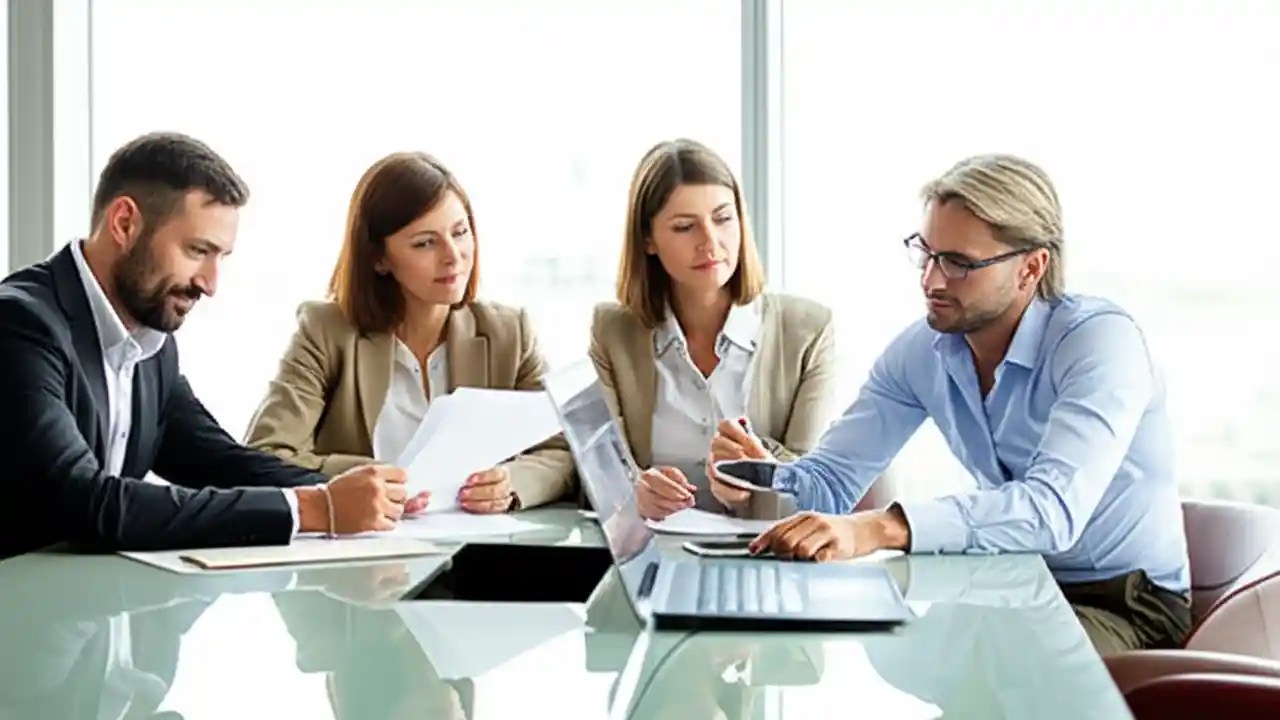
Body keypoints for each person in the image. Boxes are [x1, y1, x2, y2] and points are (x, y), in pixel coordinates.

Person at [725, 153, 1191, 654]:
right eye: (926, 253)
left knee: (1004, 659)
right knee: (894, 651)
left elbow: (1051, 511)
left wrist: (884, 527)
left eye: (959, 263)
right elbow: (831, 484)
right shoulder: (922, 351)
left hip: (1124, 602)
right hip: (1014, 581)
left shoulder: (1100, 343)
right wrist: (758, 475)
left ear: (1031, 268)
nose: (931, 280)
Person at [0, 132, 421, 560]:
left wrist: (362, 493)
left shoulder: (151, 341)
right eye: (197, 250)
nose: (210, 283)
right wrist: (315, 509)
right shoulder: (20, 325)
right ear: (124, 223)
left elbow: (218, 462)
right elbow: (87, 504)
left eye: (221, 257)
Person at [244, 151, 574, 513]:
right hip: (362, 548)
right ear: (379, 258)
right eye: (425, 243)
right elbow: (266, 454)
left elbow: (565, 447)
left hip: (477, 547)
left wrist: (511, 483)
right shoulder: (325, 331)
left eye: (460, 233)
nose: (453, 256)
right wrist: (381, 477)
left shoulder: (509, 332)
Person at [590, 138, 839, 522]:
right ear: (648, 240)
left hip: (770, 561)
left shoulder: (808, 331)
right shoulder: (613, 332)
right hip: (655, 560)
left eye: (723, 219)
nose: (710, 242)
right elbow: (593, 470)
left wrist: (757, 472)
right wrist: (633, 493)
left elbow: (818, 485)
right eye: (685, 227)